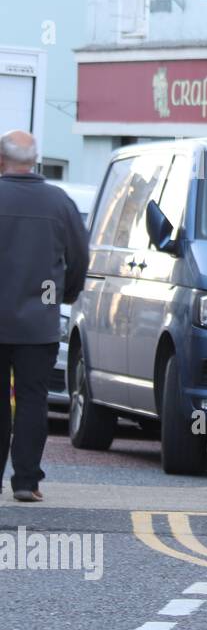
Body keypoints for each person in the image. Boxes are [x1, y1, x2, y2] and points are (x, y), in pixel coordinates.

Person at [0, 130, 88, 501]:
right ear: (34, 161)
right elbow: (80, 257)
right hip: (39, 322)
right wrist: (65, 295)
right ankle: (25, 481)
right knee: (34, 399)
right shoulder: (59, 203)